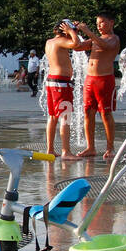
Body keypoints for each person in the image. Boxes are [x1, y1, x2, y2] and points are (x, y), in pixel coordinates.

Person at [75, 12, 121, 159]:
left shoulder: (113, 39)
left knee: (105, 113)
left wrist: (88, 31)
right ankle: (90, 147)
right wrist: (72, 32)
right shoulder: (96, 39)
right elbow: (78, 47)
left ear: (111, 22)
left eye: (102, 22)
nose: (99, 26)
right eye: (97, 24)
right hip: (90, 80)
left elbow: (105, 45)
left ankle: (110, 147)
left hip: (104, 80)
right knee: (88, 113)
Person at [43, 20, 88, 159]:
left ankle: (50, 149)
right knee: (65, 117)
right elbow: (76, 44)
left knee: (53, 116)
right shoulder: (62, 41)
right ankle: (66, 151)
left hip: (52, 82)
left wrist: (75, 31)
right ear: (65, 31)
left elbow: (79, 44)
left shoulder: (50, 42)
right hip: (61, 83)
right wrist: (71, 31)